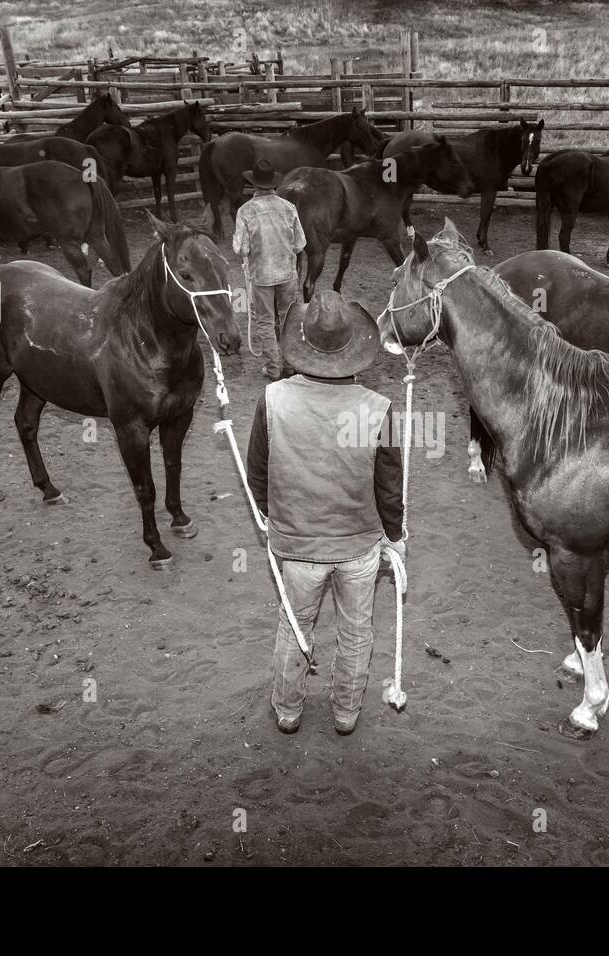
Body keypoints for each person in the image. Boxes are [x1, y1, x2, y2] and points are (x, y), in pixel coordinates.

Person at [246, 291, 406, 736]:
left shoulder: (272, 399)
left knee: (294, 627)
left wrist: (274, 519)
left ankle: (288, 711)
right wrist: (395, 537)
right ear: (354, 349)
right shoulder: (379, 409)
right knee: (356, 632)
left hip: (297, 548)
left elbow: (257, 474)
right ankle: (346, 713)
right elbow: (388, 487)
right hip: (358, 547)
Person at [232, 157, 307, 380]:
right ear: (273, 183)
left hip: (261, 275)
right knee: (287, 318)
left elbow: (241, 248)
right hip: (286, 273)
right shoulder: (288, 207)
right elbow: (300, 243)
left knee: (265, 320)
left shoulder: (245, 211)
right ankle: (289, 365)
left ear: (254, 184)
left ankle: (273, 369)